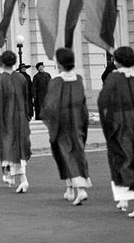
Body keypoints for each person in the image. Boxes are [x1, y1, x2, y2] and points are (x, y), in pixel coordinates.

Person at [98, 45, 134, 218]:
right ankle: (125, 199)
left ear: (118, 61)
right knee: (133, 159)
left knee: (120, 159)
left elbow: (103, 100)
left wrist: (106, 121)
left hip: (119, 122)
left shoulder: (114, 77)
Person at [41, 47, 92, 206]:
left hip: (61, 125)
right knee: (76, 154)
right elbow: (82, 102)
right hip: (77, 122)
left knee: (66, 155)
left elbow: (50, 105)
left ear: (59, 63)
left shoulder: (56, 82)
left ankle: (80, 190)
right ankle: (70, 189)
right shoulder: (78, 79)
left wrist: (48, 120)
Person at [0, 50, 32, 193]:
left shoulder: (0, 79)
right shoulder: (21, 78)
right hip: (20, 117)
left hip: (6, 118)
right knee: (18, 146)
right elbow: (26, 98)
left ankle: (22, 179)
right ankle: (9, 175)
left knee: (8, 147)